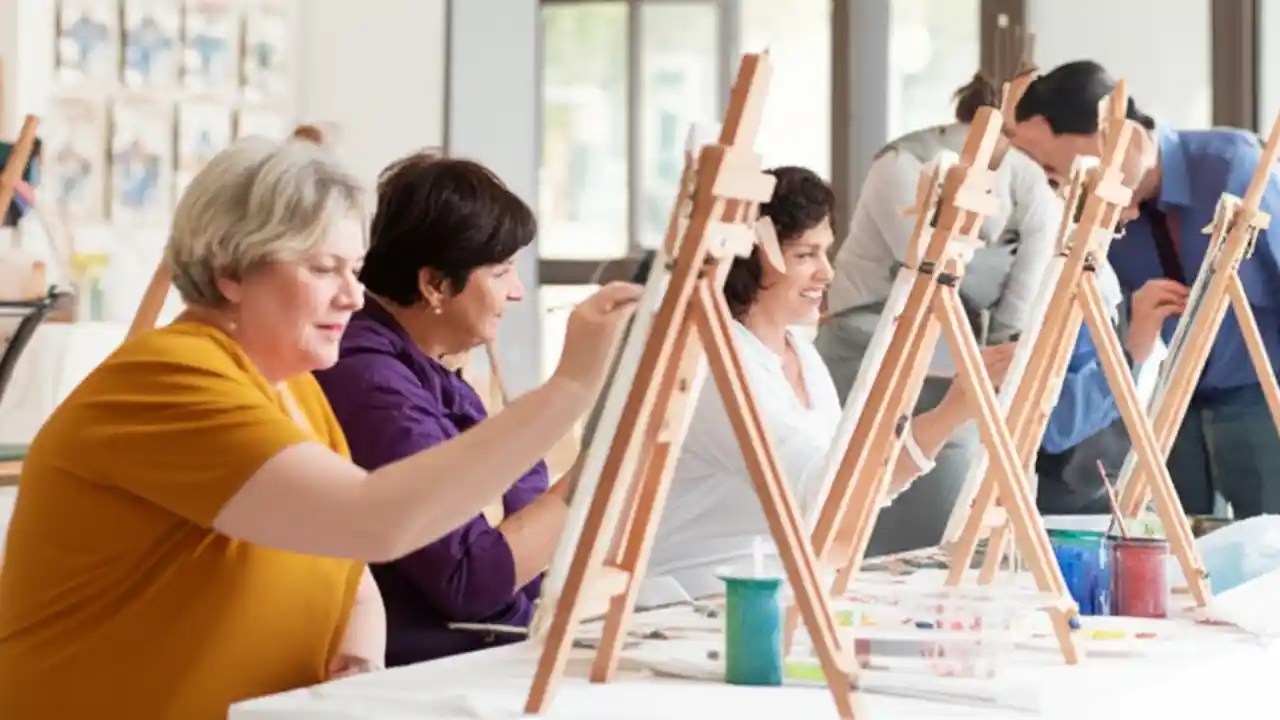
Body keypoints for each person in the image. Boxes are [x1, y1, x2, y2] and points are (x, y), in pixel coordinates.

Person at [0, 137, 640, 719]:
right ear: (232, 270)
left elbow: (351, 575)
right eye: (323, 269)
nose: (354, 296)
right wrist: (572, 388)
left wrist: (357, 663)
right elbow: (377, 521)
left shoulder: (294, 387)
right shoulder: (167, 380)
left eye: (354, 270)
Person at [641, 166, 1010, 605]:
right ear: (748, 257)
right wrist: (947, 416)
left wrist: (948, 416)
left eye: (825, 252)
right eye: (804, 255)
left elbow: (846, 488)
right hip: (701, 600)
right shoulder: (716, 364)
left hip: (782, 590)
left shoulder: (800, 351)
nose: (826, 273)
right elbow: (824, 498)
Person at [815, 73, 1125, 555]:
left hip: (959, 356)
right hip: (877, 344)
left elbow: (1026, 263)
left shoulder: (1020, 177)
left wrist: (999, 345)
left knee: (936, 524)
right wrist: (1000, 329)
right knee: (868, 512)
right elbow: (931, 261)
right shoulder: (906, 163)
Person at [313, 154, 569, 666]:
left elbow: (522, 544)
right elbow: (472, 578)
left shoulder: (433, 367)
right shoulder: (366, 377)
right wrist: (594, 478)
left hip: (490, 654)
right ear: (434, 284)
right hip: (424, 673)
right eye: (500, 272)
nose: (516, 291)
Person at [1009, 60, 1280, 518]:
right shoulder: (1105, 217)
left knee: (1267, 552)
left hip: (1260, 393)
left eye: (1053, 164)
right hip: (1172, 400)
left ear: (1117, 137)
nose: (1055, 183)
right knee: (1179, 550)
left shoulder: (1233, 168)